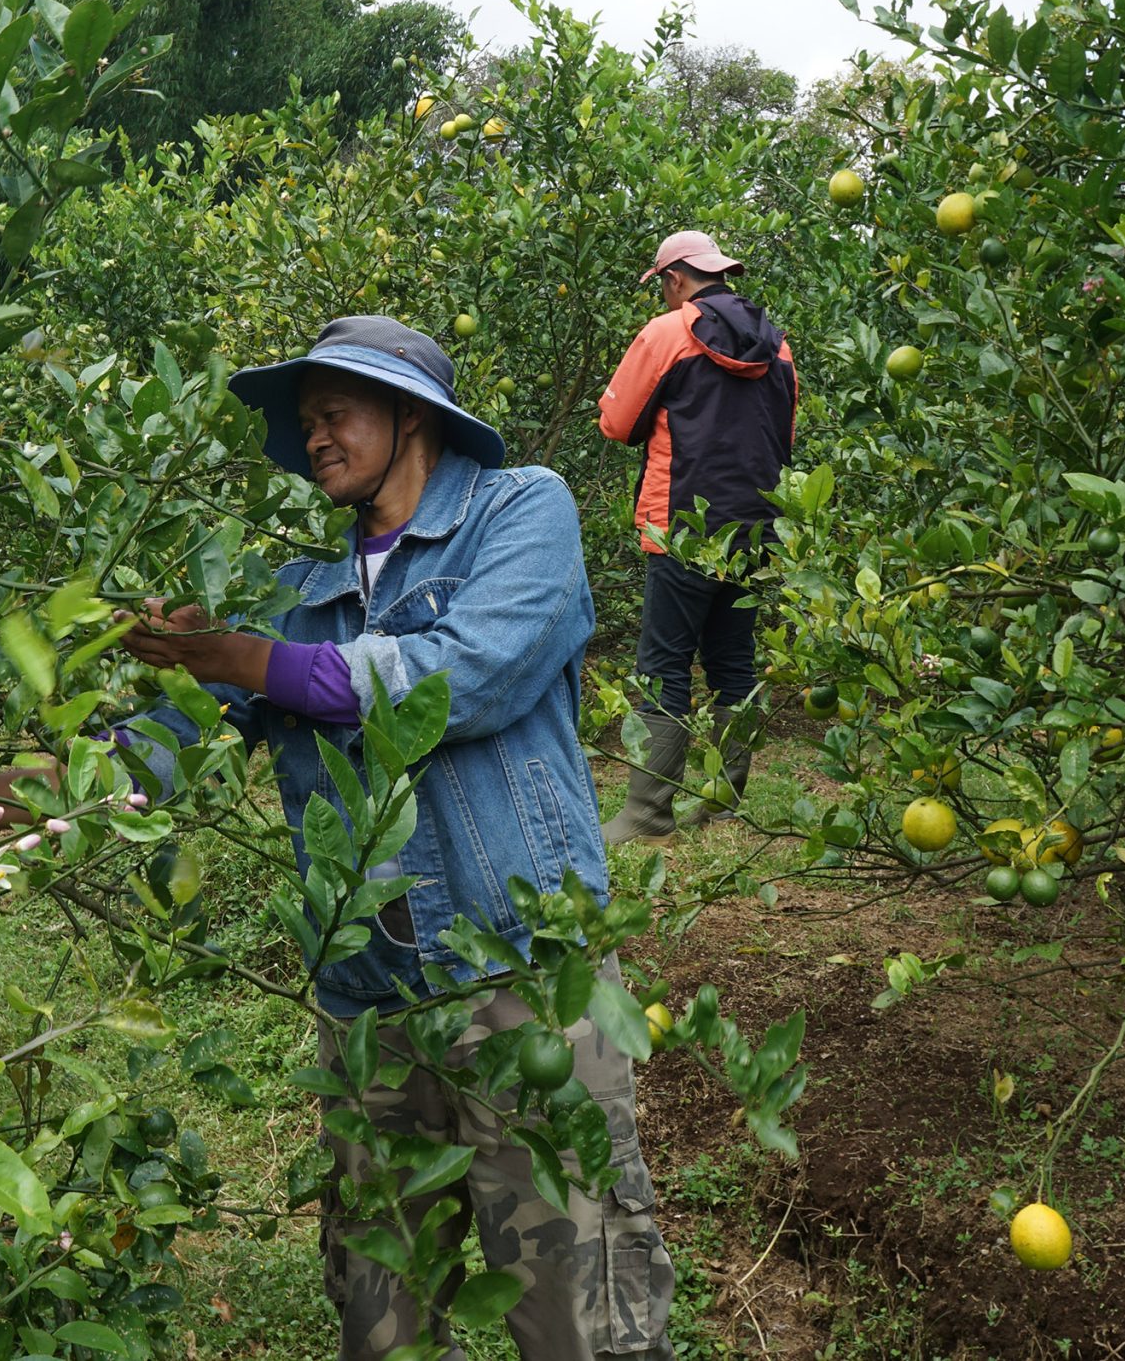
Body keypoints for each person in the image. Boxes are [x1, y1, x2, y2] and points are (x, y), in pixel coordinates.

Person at [119, 315, 673, 1361]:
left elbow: (463, 677)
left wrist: (244, 659)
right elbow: (172, 737)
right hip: (370, 1005)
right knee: (384, 1314)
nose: (315, 436)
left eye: (335, 412)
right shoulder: (295, 593)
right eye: (306, 422)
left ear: (409, 414)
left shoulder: (522, 510)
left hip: (523, 979)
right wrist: (18, 788)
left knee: (578, 1305)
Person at [594, 231, 797, 843]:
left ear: (676, 278)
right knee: (734, 661)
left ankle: (648, 812)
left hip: (683, 528)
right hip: (756, 528)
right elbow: (783, 437)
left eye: (662, 284)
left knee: (663, 665)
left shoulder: (667, 334)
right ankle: (725, 803)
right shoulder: (778, 344)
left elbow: (616, 423)